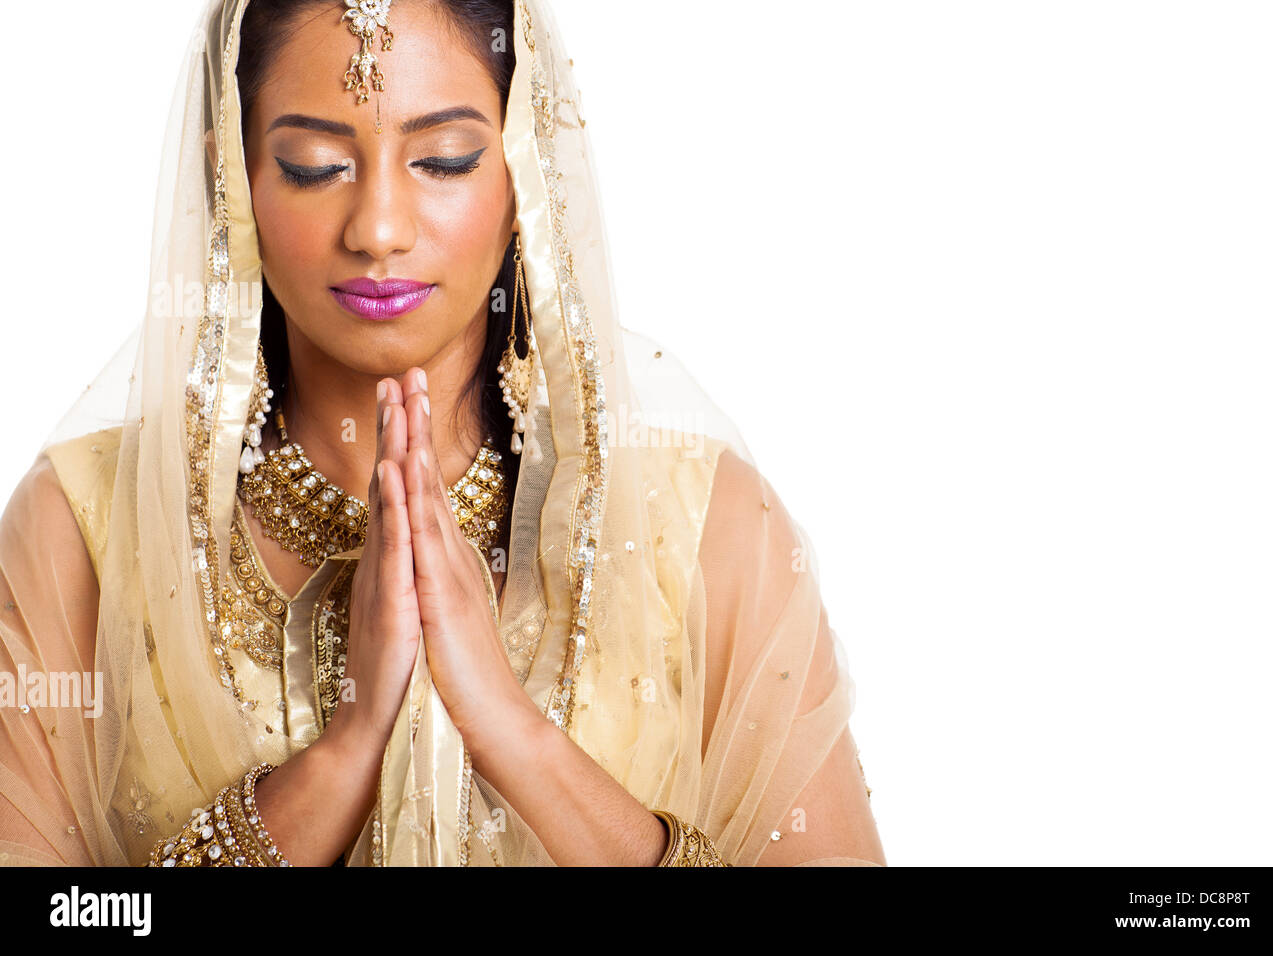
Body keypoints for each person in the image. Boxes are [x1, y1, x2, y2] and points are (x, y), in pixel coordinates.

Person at [0, 0, 886, 867]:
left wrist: (512, 731)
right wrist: (343, 757)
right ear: (232, 175)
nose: (379, 230)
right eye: (314, 166)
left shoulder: (698, 531)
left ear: (523, 170)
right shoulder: (83, 535)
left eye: (446, 159)